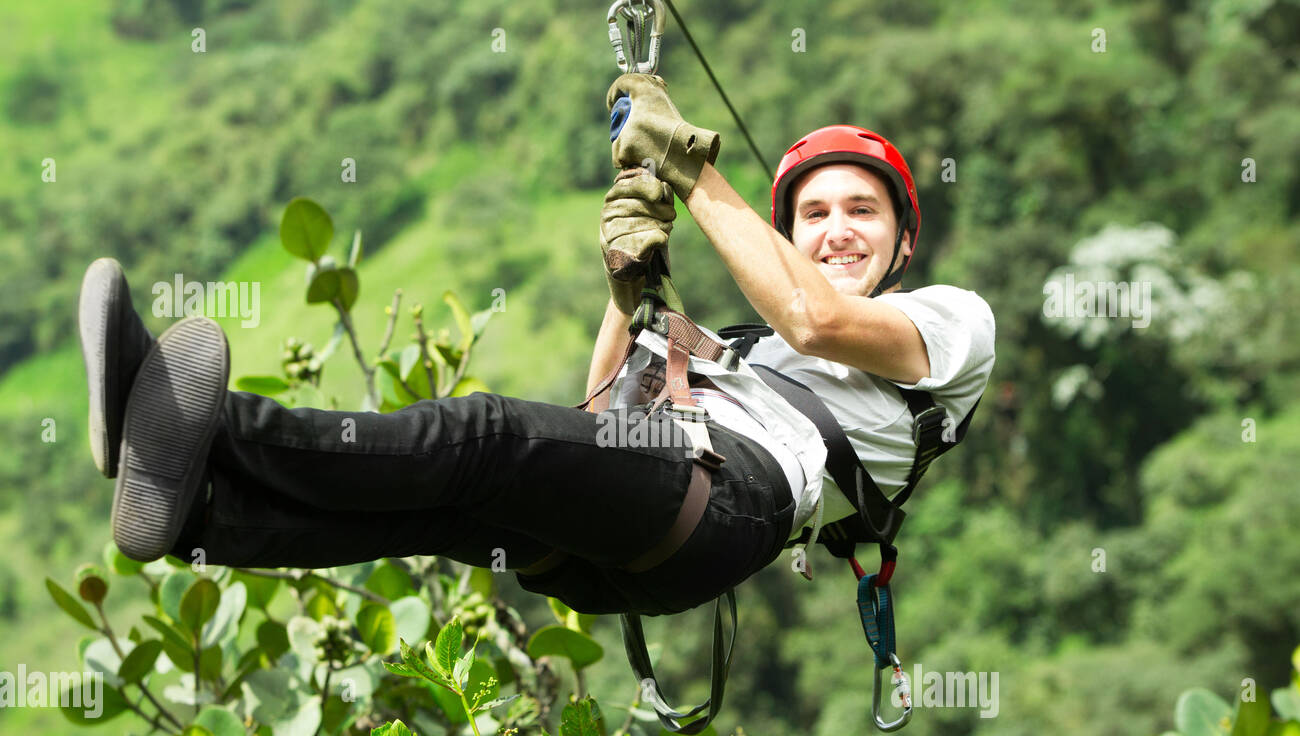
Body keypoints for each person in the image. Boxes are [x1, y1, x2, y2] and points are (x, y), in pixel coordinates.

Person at [77, 77, 993, 618]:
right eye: (815, 215)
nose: (837, 231)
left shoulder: (949, 325)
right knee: (443, 504)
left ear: (904, 241)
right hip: (663, 522)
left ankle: (198, 423)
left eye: (862, 212)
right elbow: (598, 413)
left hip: (731, 505)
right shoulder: (751, 347)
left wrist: (684, 161)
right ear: (787, 235)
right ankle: (201, 513)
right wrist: (628, 289)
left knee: (486, 437)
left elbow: (816, 319)